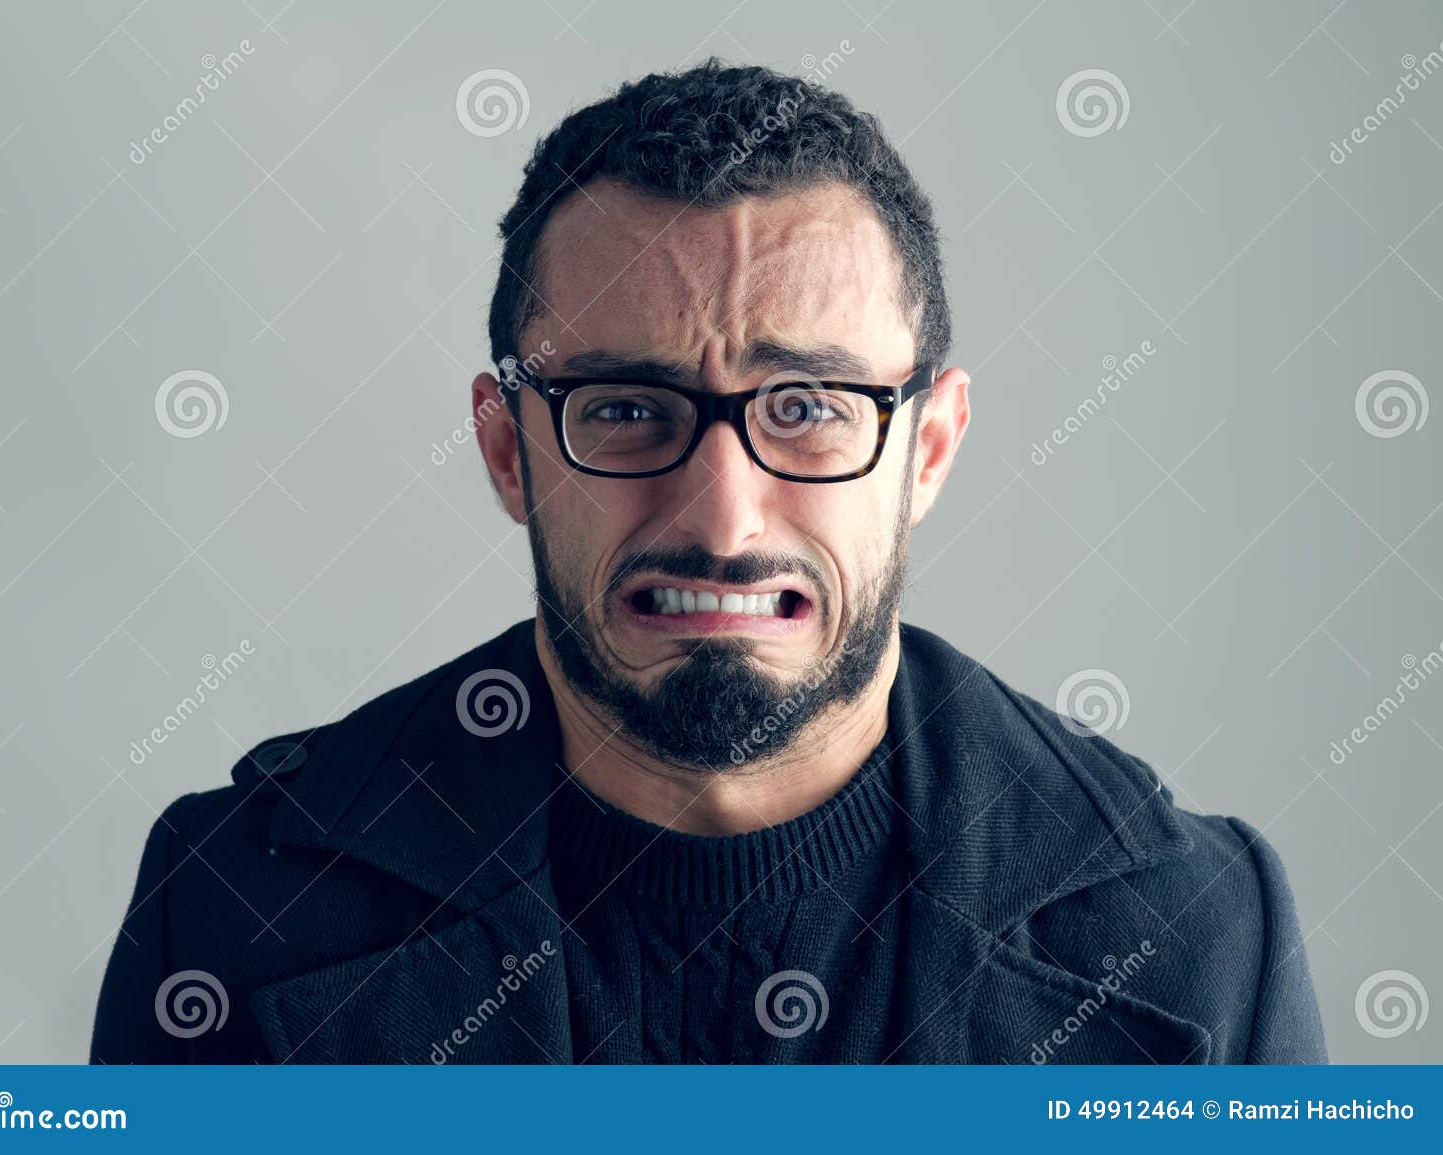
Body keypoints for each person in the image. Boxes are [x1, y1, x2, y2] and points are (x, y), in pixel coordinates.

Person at [90, 59, 1326, 1065]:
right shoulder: (235, 904)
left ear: (929, 449)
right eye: (628, 409)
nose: (723, 519)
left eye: (808, 406)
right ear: (509, 451)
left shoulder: (1195, 931)